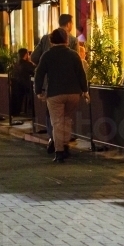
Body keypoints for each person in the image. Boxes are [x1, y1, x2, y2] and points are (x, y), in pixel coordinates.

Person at [34, 28, 88, 163]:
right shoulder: (74, 55)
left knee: (57, 122)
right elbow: (81, 74)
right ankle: (65, 145)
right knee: (67, 120)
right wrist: (85, 90)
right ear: (66, 40)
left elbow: (39, 74)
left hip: (55, 93)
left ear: (51, 40)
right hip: (73, 93)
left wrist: (38, 91)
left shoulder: (47, 55)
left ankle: (59, 152)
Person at [11, 48, 36, 115]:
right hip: (26, 86)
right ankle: (32, 112)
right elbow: (36, 71)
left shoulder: (16, 64)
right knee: (36, 92)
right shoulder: (27, 64)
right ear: (26, 55)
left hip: (17, 86)